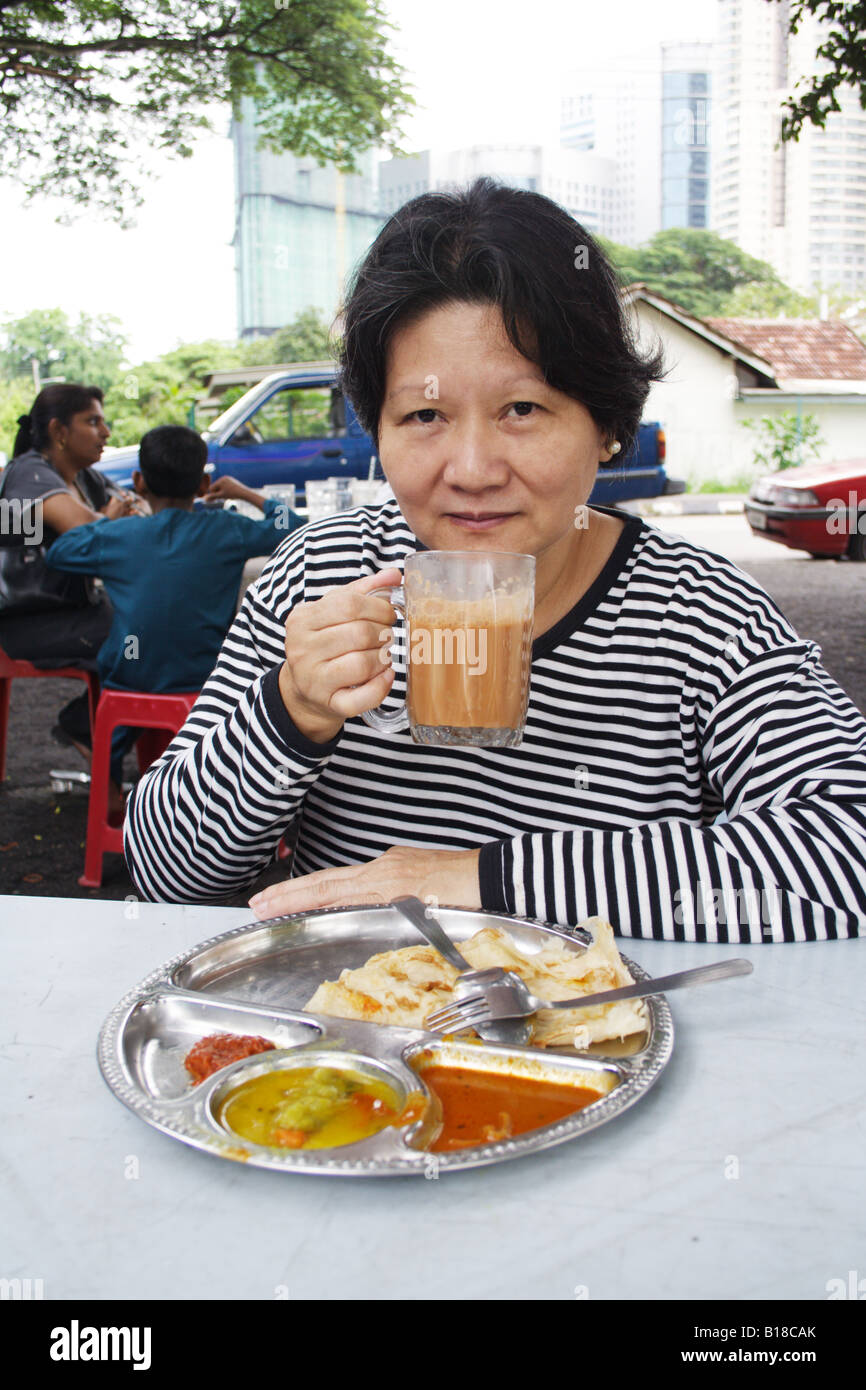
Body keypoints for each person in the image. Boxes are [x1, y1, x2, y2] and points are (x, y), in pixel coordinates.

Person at [124, 178, 866, 942]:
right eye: (424, 415)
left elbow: (848, 850)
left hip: (593, 1041)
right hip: (355, 1039)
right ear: (377, 430)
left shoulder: (698, 613)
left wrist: (479, 879)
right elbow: (164, 874)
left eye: (522, 409)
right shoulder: (319, 574)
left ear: (607, 425)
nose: (472, 468)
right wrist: (289, 712)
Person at [44, 423, 304, 794]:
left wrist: (110, 519)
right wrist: (243, 492)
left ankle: (110, 777)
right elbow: (291, 527)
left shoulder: (117, 536)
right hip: (211, 677)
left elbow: (59, 553)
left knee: (118, 673)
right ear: (202, 485)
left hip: (133, 676)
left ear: (138, 481)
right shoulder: (227, 528)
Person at [0, 383, 138, 757]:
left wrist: (115, 513)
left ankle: (106, 733)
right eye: (93, 422)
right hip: (30, 619)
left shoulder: (85, 476)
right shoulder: (30, 474)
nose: (105, 433)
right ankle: (85, 726)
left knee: (149, 630)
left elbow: (137, 508)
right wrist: (110, 515)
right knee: (141, 640)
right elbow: (86, 532)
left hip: (75, 610)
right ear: (59, 431)